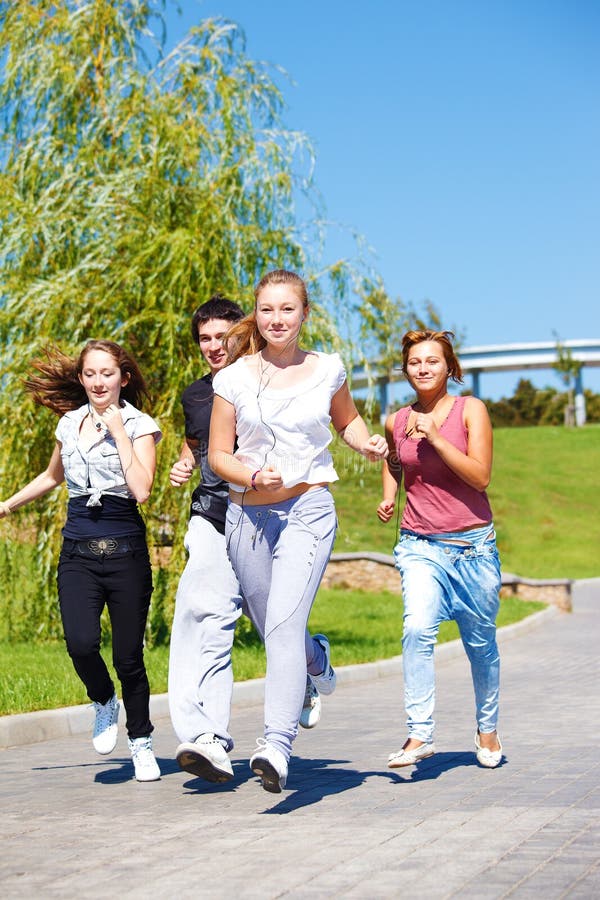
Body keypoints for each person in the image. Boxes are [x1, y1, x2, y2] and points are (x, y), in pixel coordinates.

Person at [208, 268, 389, 793]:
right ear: (256, 315)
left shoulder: (327, 369)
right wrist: (249, 473)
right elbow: (219, 455)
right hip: (247, 515)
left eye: (288, 309)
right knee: (272, 626)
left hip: (308, 508)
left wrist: (366, 442)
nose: (277, 319)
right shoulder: (233, 379)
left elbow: (347, 420)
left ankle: (275, 746)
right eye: (267, 309)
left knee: (283, 626)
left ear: (304, 314)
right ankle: (318, 660)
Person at [168, 294, 327, 785]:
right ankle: (207, 737)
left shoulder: (272, 380)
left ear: (244, 334)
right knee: (204, 614)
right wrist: (183, 462)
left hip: (271, 515)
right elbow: (201, 443)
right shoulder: (198, 393)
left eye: (223, 337)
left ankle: (311, 663)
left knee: (276, 625)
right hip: (214, 517)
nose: (215, 347)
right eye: (205, 340)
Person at [0, 340, 162, 782]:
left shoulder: (141, 425)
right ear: (81, 378)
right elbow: (53, 477)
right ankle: (103, 699)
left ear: (123, 378)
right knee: (81, 643)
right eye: (90, 373)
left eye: (107, 373)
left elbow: (142, 489)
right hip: (78, 552)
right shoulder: (68, 424)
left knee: (129, 658)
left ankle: (141, 742)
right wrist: (7, 505)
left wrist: (120, 433)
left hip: (125, 550)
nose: (98, 382)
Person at [377, 329, 503, 770]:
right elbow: (395, 462)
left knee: (480, 643)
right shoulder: (397, 419)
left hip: (473, 547)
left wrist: (436, 437)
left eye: (432, 361)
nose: (423, 368)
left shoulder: (472, 410)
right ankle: (419, 734)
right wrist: (390, 494)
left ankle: (487, 729)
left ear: (449, 367)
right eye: (415, 362)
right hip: (419, 544)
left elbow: (480, 476)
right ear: (406, 369)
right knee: (416, 630)